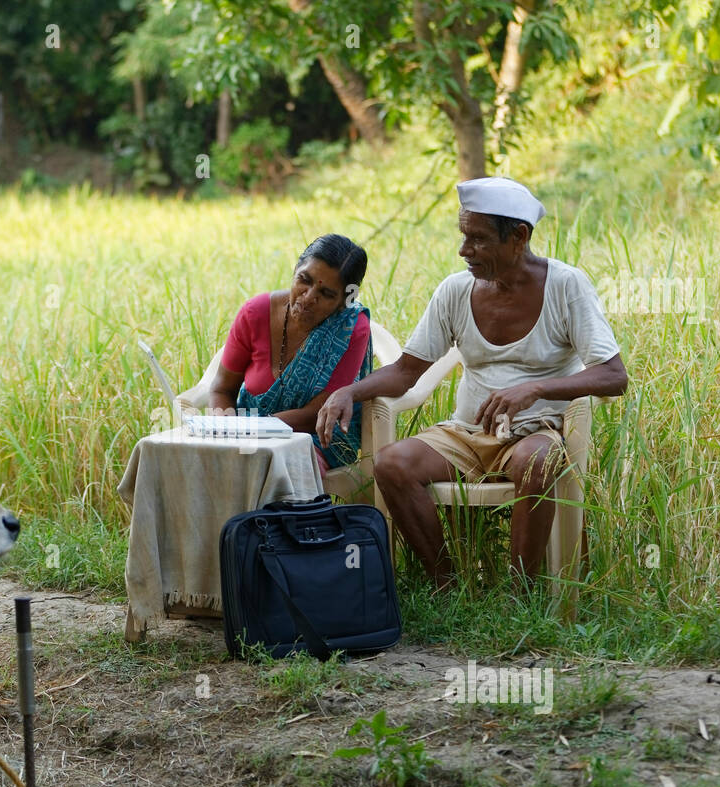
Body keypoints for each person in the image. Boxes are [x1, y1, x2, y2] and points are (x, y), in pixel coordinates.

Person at [316, 177, 628, 586]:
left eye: (478, 239)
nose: (464, 250)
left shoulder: (566, 286)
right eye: (464, 236)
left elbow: (614, 376)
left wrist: (534, 389)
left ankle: (522, 595)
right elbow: (407, 371)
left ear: (519, 237)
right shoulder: (455, 290)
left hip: (535, 433)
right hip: (466, 434)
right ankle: (448, 587)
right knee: (392, 464)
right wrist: (348, 392)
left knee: (535, 460)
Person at [210, 234, 372, 472]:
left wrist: (252, 432)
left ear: (345, 301)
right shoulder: (255, 313)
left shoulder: (350, 330)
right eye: (304, 280)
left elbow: (315, 414)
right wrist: (225, 428)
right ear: (295, 269)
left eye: (326, 294)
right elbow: (222, 389)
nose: (308, 298)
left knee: (279, 466)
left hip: (315, 437)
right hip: (242, 430)